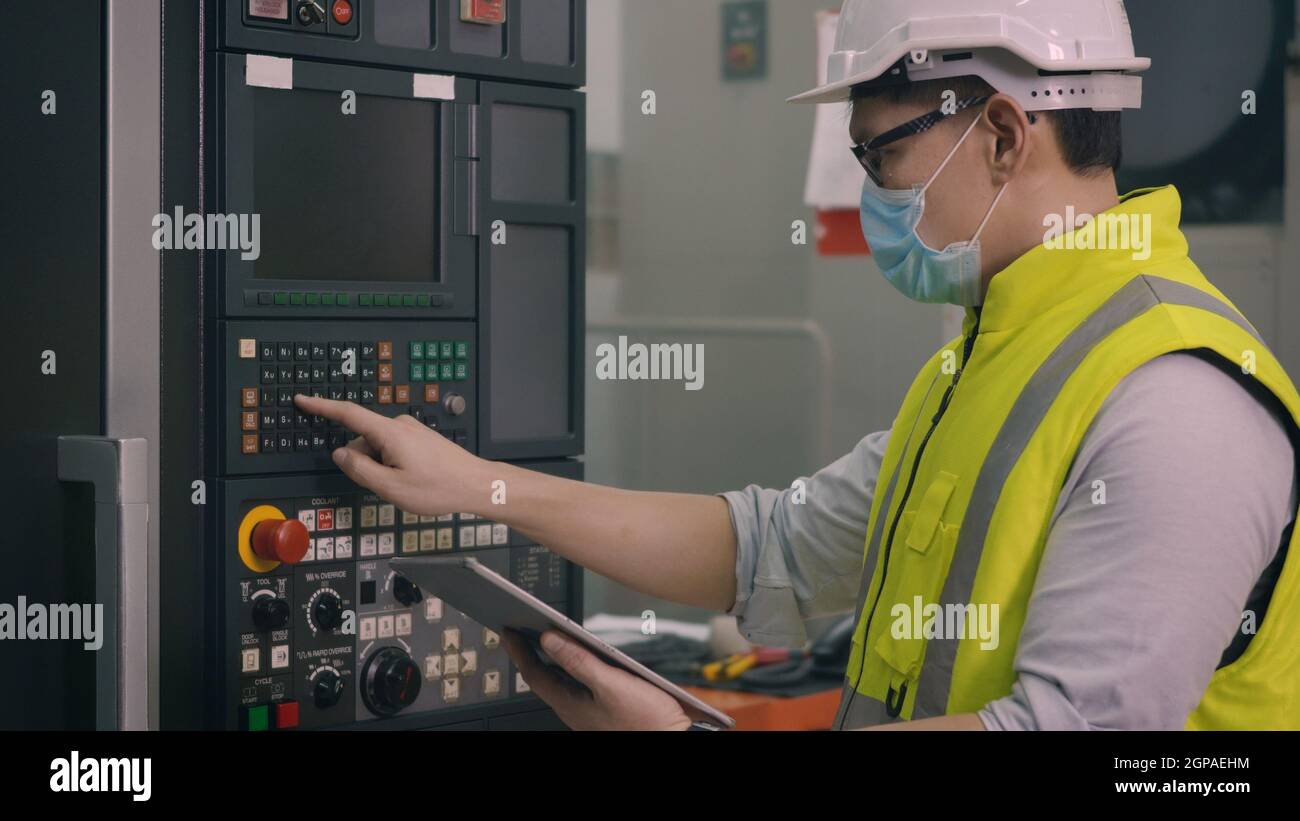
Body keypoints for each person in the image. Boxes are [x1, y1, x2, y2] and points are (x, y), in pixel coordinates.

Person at [295, 0, 1300, 730]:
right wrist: (476, 486)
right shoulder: (993, 355)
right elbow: (769, 546)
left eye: (881, 160)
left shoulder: (1176, 403)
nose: (874, 205)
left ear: (1000, 131)